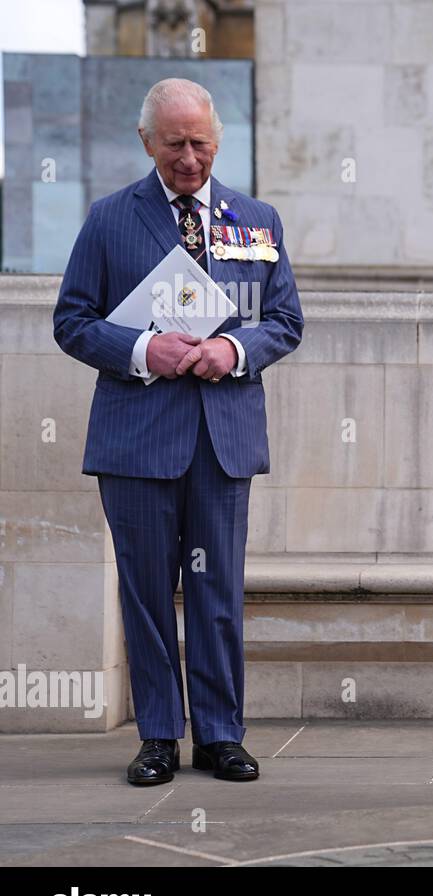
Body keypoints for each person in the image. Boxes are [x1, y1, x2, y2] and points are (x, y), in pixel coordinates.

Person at [52, 78, 304, 785]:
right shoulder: (108, 220)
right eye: (174, 145)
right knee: (146, 588)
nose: (189, 159)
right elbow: (70, 321)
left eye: (200, 144)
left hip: (222, 438)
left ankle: (221, 734)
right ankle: (159, 734)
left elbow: (284, 321)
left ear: (218, 141)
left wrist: (234, 350)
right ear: (146, 142)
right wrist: (141, 351)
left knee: (217, 591)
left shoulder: (257, 218)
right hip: (136, 441)